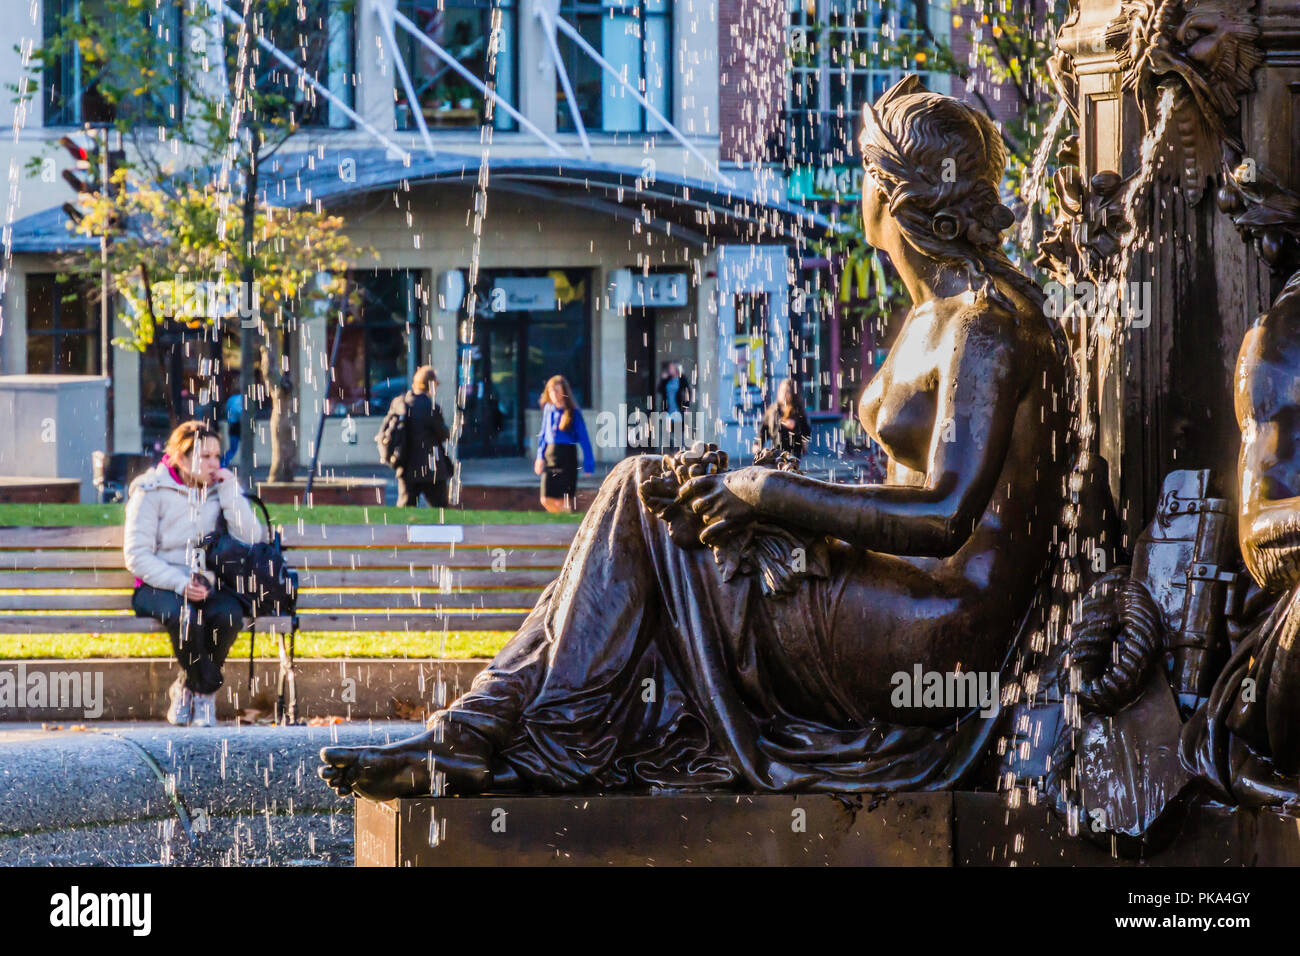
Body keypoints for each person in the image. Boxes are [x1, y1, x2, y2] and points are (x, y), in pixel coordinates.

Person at [320, 76, 1074, 799]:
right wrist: (768, 505)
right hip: (894, 598)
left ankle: (514, 738)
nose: (858, 187)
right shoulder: (931, 314)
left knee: (641, 496)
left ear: (900, 194)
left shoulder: (984, 327)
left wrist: (770, 492)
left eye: (869, 169)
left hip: (937, 640)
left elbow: (945, 519)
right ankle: (485, 731)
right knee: (653, 497)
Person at [125, 421, 266, 727]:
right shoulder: (151, 489)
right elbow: (137, 555)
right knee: (185, 617)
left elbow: (253, 537)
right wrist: (179, 583)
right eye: (205, 457)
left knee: (227, 615)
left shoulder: (221, 488)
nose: (214, 464)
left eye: (218, 456)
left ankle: (192, 689)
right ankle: (204, 692)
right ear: (180, 457)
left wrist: (230, 490)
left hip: (209, 583)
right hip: (158, 584)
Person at [381, 366, 452, 507]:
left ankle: (406, 529)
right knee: (440, 511)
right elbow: (443, 435)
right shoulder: (431, 407)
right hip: (432, 467)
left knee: (405, 511)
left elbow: (385, 430)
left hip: (406, 465)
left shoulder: (400, 403)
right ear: (431, 385)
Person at [534, 375, 595, 513]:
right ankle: (558, 519)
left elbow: (584, 439)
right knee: (546, 498)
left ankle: (561, 524)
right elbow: (543, 435)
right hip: (550, 455)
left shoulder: (574, 413)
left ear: (564, 392)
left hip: (567, 456)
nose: (553, 394)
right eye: (550, 391)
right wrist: (539, 457)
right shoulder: (548, 409)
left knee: (564, 500)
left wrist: (589, 463)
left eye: (556, 390)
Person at [756, 379, 812, 458]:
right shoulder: (773, 410)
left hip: (793, 453)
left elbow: (806, 431)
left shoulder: (797, 410)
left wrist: (795, 426)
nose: (784, 394)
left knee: (788, 469)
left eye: (787, 391)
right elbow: (764, 430)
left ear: (793, 394)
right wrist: (758, 444)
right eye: (782, 391)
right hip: (776, 452)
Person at [655, 361, 691, 451]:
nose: (669, 370)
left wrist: (686, 406)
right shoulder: (667, 379)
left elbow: (687, 393)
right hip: (668, 409)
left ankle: (679, 451)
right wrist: (662, 379)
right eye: (669, 368)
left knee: (678, 431)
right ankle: (673, 449)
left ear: (676, 369)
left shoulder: (682, 379)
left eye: (671, 368)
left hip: (678, 409)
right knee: (666, 431)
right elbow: (659, 390)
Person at [220, 392, 243, 468]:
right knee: (234, 449)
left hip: (232, 424)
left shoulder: (231, 398)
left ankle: (222, 463)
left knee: (233, 448)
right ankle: (222, 463)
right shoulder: (241, 398)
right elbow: (238, 411)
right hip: (238, 425)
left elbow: (228, 409)